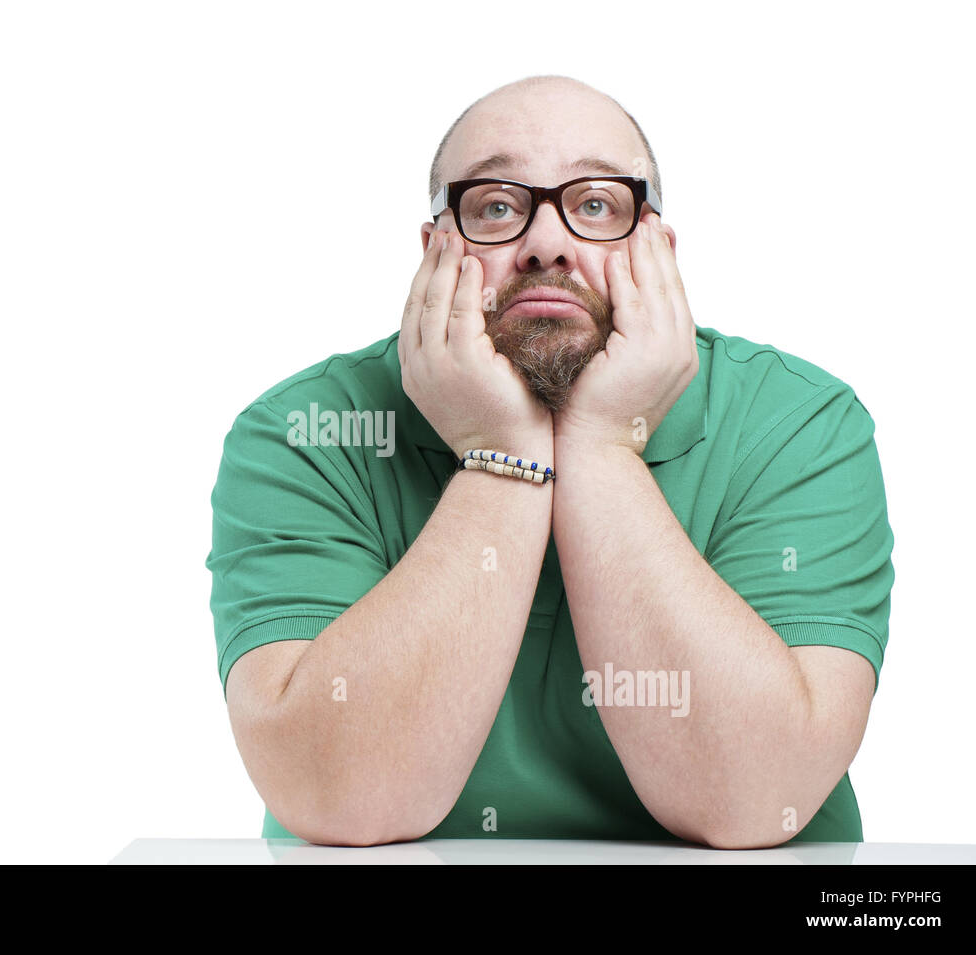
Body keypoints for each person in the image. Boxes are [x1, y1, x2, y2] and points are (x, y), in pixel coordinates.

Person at [205, 75, 894, 848]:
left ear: (659, 249)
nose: (547, 241)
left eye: (596, 204)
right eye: (497, 206)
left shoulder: (801, 422)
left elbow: (756, 801)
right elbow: (337, 798)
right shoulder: (311, 432)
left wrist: (600, 447)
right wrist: (504, 456)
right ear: (433, 252)